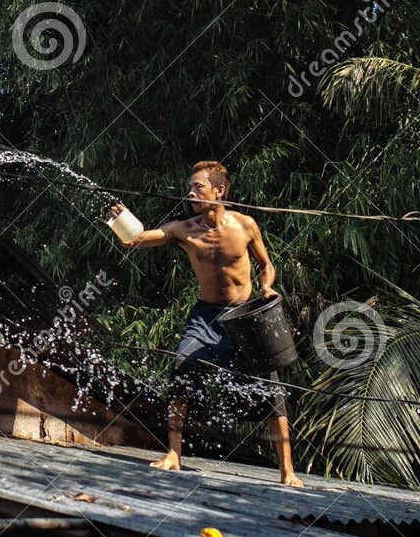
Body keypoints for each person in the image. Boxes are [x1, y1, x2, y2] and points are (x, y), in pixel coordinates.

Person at [110, 160, 302, 487]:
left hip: (244, 317)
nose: (191, 192)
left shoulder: (245, 226)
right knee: (181, 367)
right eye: (191, 187)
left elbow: (266, 265)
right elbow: (137, 240)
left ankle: (288, 471)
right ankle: (174, 455)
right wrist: (122, 221)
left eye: (197, 187)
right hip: (205, 316)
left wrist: (267, 286)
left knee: (271, 390)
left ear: (219, 190)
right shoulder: (185, 230)